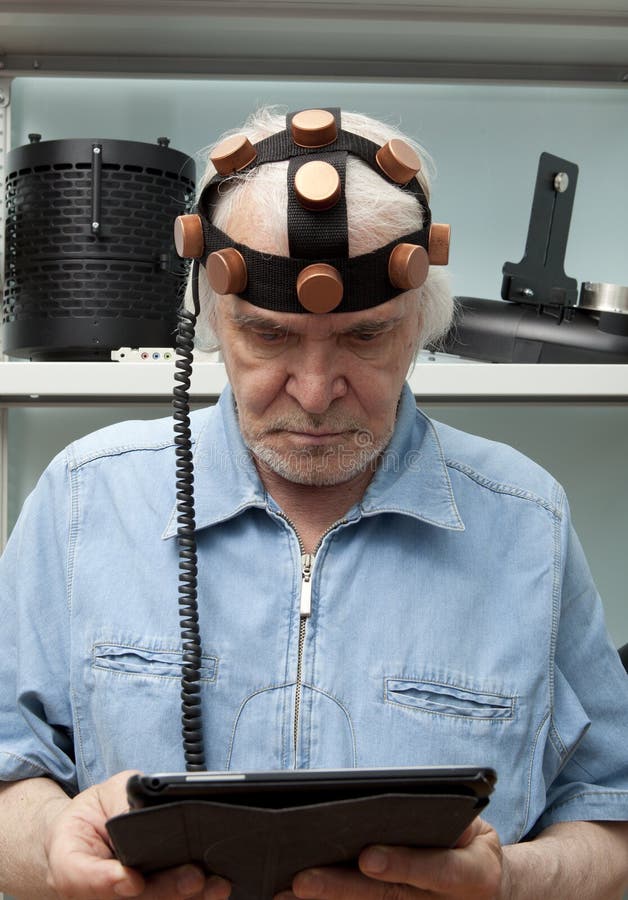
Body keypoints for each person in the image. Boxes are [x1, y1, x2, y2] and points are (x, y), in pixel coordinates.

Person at [1, 105, 627, 900]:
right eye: (268, 336)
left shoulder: (528, 520)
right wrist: (54, 849)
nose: (314, 390)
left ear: (422, 323)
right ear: (210, 319)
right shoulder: (84, 499)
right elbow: (7, 772)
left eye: (365, 338)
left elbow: (612, 812)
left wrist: (509, 879)